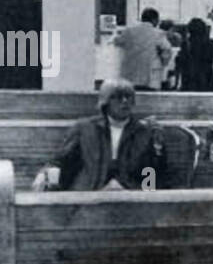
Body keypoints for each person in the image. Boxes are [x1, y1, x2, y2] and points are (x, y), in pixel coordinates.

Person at [31, 80, 163, 191]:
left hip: (129, 196)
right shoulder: (85, 128)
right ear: (105, 102)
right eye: (117, 97)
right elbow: (61, 160)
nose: (125, 101)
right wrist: (45, 173)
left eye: (129, 97)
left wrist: (146, 195)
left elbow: (151, 169)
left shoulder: (144, 132)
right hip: (88, 192)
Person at [113, 8, 172, 91]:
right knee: (149, 100)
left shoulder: (129, 31)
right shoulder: (158, 33)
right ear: (155, 20)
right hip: (150, 76)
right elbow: (167, 50)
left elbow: (117, 42)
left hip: (130, 75)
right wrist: (163, 62)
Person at [174, 17, 213, 92]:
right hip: (206, 79)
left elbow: (181, 60)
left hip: (189, 79)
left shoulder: (186, 44)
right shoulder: (209, 43)